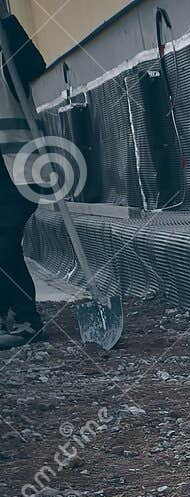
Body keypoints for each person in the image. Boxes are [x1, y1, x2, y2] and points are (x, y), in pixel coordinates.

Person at [1, 8, 46, 346]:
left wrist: (5, 20)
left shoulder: (9, 56)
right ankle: (11, 315)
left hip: (18, 168)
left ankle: (26, 320)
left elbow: (34, 65)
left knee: (3, 241)